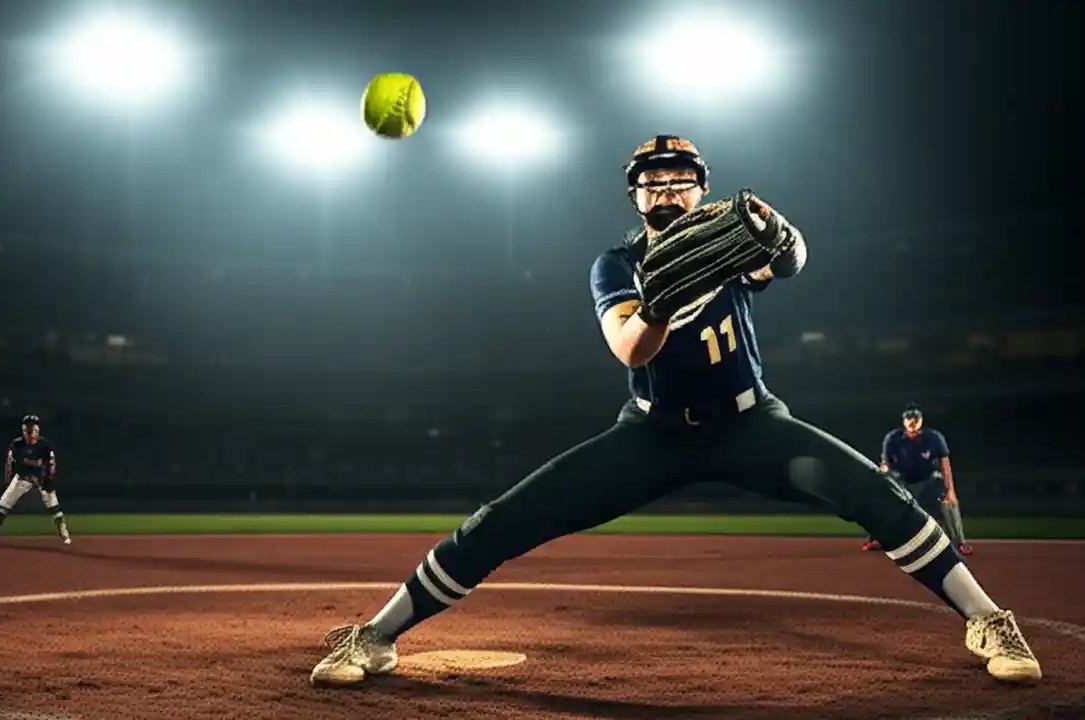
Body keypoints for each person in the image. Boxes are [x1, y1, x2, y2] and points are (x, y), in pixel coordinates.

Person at [308, 134, 1039, 686]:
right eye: (652, 183)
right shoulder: (617, 263)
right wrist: (659, 297)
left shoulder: (724, 237)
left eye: (681, 180)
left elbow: (785, 260)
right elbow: (630, 348)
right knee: (507, 518)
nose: (667, 191)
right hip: (653, 435)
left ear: (700, 190)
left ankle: (990, 622)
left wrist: (782, 241)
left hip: (753, 425)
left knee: (873, 493)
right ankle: (374, 635)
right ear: (634, 197)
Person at [863, 403, 971, 554]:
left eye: (916, 418)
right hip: (903, 480)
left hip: (928, 480)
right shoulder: (892, 438)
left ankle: (959, 542)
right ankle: (879, 539)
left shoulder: (934, 437)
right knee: (882, 500)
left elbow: (945, 465)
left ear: (921, 420)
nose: (912, 422)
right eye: (909, 418)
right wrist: (884, 481)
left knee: (948, 500)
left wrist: (950, 491)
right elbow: (885, 464)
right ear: (903, 421)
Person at [0, 414, 71, 545]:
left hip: (40, 478)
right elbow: (10, 465)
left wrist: (49, 478)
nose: (31, 433)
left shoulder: (44, 446)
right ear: (24, 430)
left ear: (38, 430)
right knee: (4, 502)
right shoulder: (17, 445)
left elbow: (51, 464)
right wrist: (7, 482)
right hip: (22, 477)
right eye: (28, 429)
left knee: (52, 503)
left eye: (34, 429)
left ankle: (63, 532)